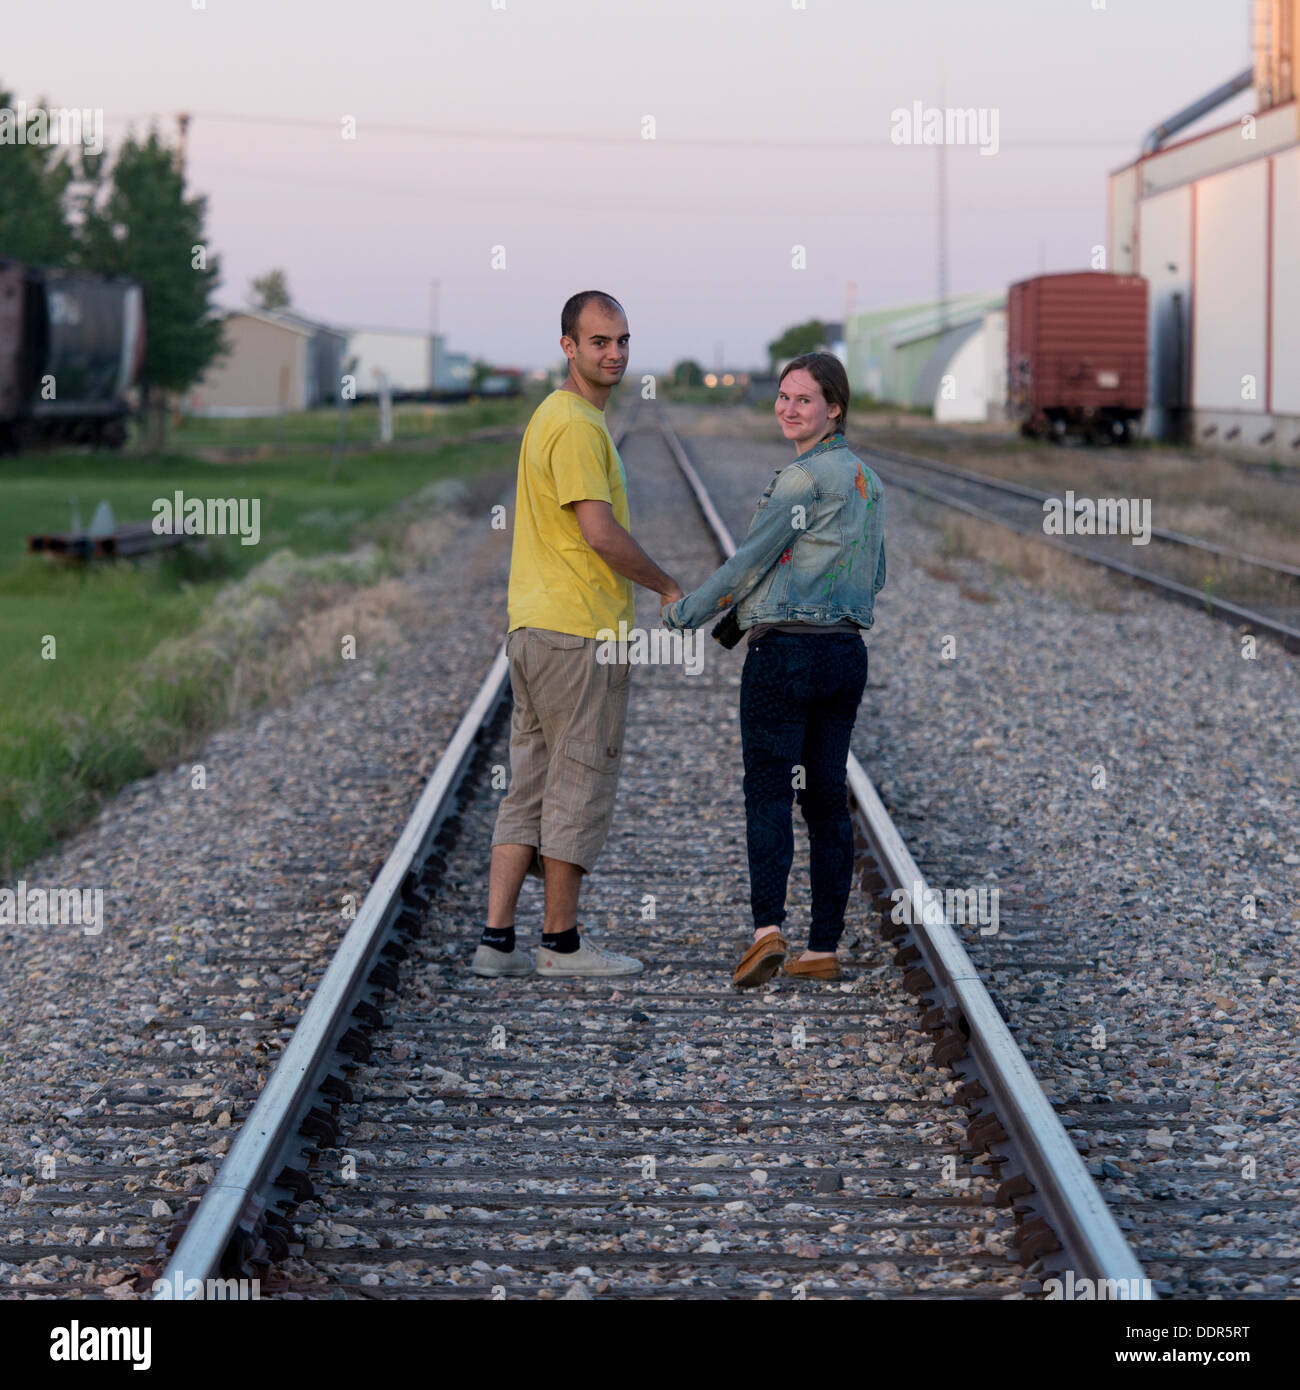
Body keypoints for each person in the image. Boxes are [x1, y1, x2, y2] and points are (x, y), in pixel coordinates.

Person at [473, 291, 683, 979]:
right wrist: (666, 586)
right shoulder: (578, 427)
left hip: (534, 629)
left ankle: (495, 943)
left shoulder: (551, 418)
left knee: (528, 785)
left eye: (622, 340)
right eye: (599, 341)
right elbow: (599, 532)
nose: (614, 353)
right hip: (580, 634)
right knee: (579, 781)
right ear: (568, 346)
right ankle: (560, 944)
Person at [662, 352, 885, 989]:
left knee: (768, 793)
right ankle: (822, 948)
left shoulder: (799, 479)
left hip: (783, 654)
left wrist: (685, 615)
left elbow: (743, 566)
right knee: (826, 802)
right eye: (783, 397)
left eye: (803, 400)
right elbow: (878, 575)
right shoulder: (869, 482)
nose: (788, 409)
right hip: (845, 656)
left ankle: (767, 933)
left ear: (833, 407)